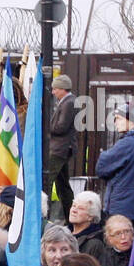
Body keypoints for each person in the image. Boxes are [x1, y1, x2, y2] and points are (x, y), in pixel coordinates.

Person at [95, 102, 134, 224]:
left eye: (118, 118)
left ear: (132, 121)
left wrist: (103, 155)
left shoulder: (127, 144)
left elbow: (101, 168)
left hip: (121, 208)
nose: (115, 122)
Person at [47, 73, 78, 216]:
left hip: (60, 149)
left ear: (63, 88)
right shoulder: (68, 102)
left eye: (55, 89)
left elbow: (61, 127)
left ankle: (44, 213)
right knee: (63, 186)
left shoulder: (68, 103)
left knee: (47, 181)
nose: (53, 92)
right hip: (63, 149)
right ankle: (70, 216)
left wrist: (45, 127)